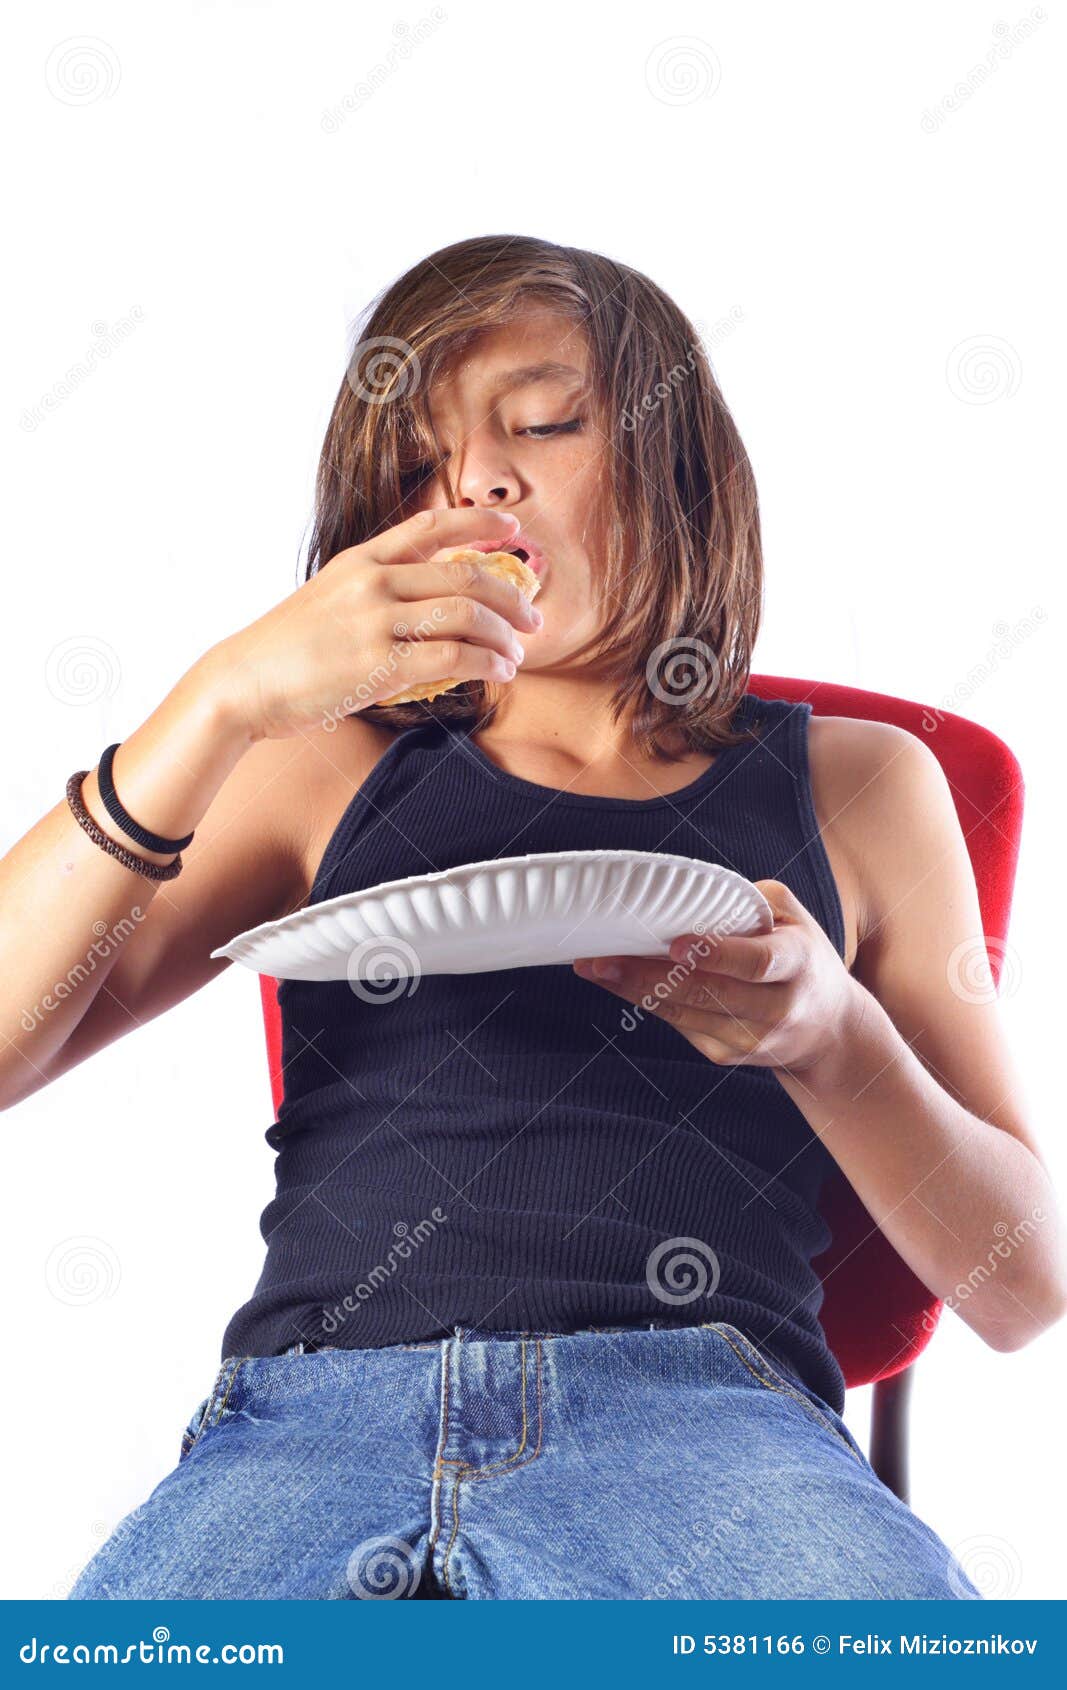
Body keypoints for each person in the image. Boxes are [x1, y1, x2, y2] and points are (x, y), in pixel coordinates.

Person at [4, 235, 1062, 1600]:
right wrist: (216, 702)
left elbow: (1022, 1288)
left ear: (678, 457)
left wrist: (831, 1037)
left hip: (713, 1427)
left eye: (544, 422)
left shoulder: (862, 784)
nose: (477, 481)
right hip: (312, 1418)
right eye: (420, 464)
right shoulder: (320, 762)